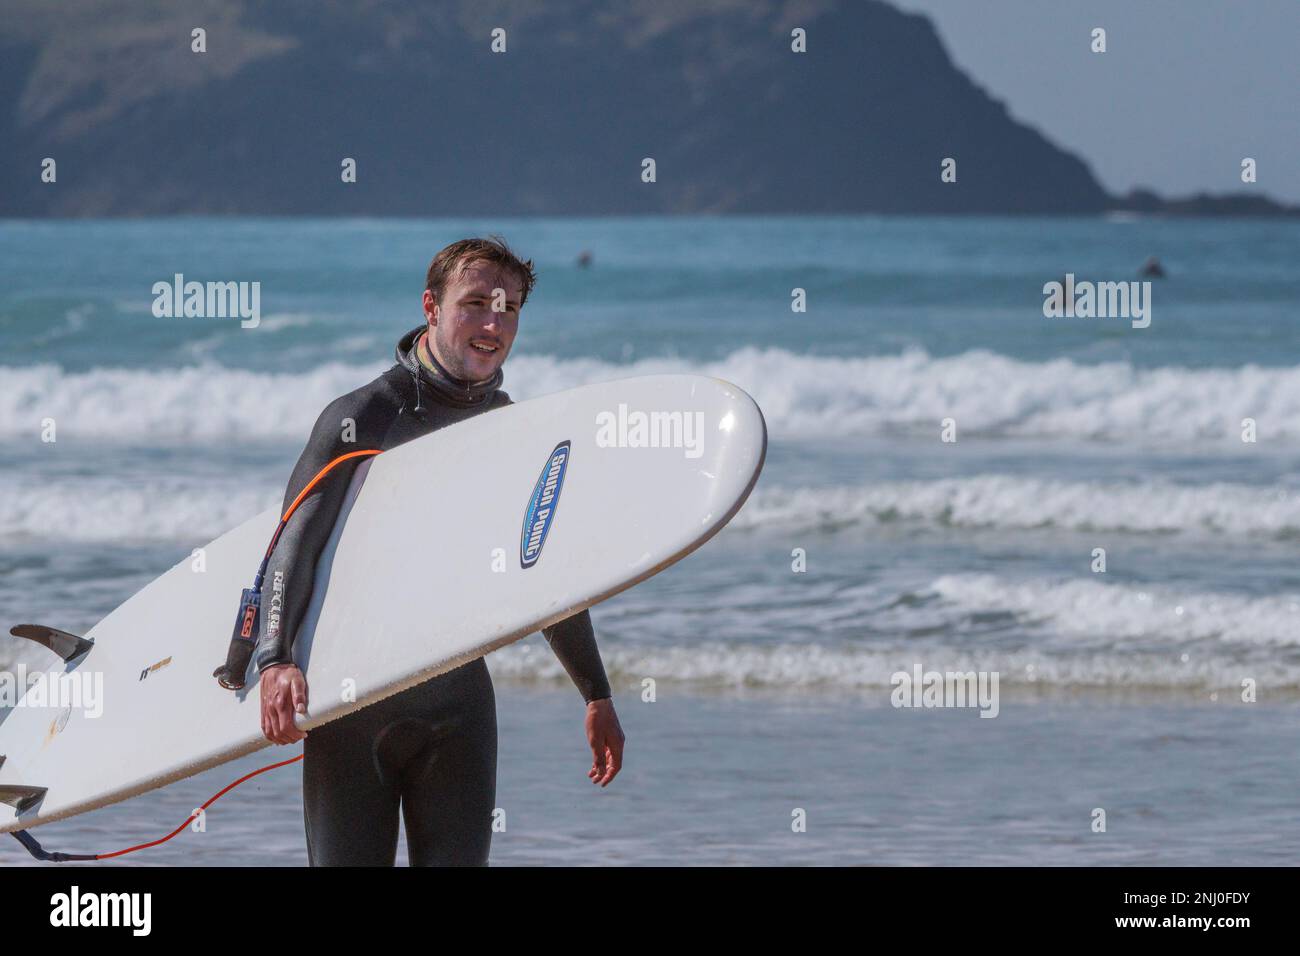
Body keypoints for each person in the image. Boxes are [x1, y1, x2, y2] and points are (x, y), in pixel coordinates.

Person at [252, 237, 624, 865]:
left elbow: (543, 573)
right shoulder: (362, 418)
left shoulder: (510, 432)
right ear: (431, 305)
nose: (492, 324)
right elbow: (293, 543)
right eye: (475, 303)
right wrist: (273, 661)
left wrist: (595, 692)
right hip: (351, 705)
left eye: (507, 309)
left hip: (459, 709)